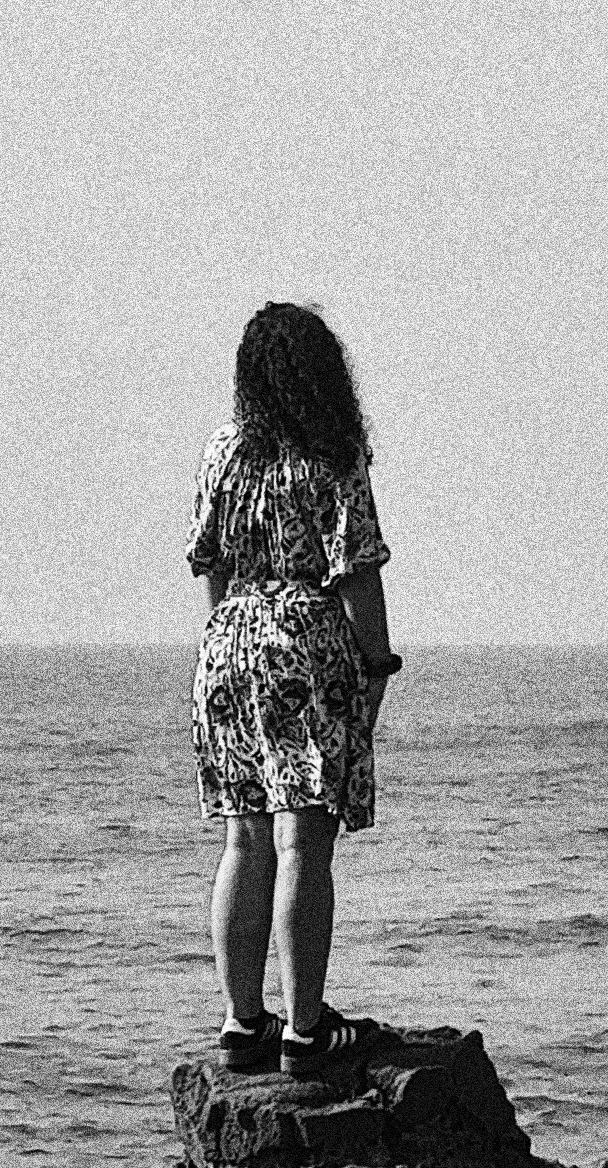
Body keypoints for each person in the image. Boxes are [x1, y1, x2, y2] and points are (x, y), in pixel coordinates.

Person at [186, 300, 400, 1082]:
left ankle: (243, 1023)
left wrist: (227, 635)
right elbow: (357, 570)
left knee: (242, 839)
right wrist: (376, 668)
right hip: (307, 643)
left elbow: (206, 558)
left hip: (228, 644)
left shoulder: (223, 450)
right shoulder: (331, 450)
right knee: (302, 841)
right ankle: (306, 1031)